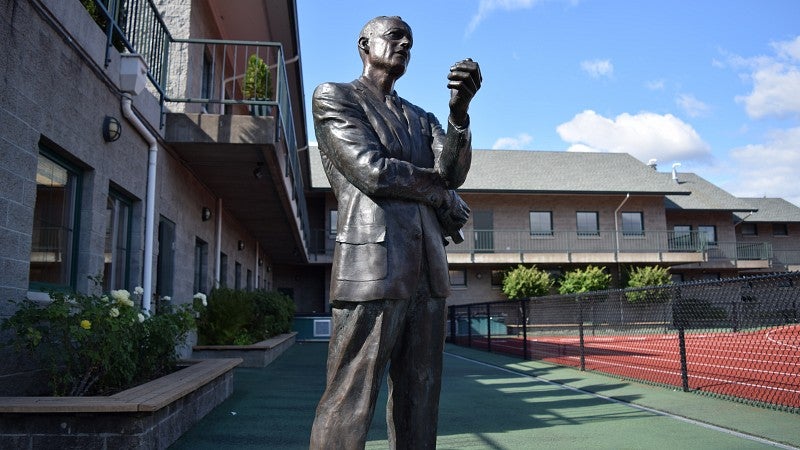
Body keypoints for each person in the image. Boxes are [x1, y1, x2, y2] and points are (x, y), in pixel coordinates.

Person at [309, 15, 481, 450]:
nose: (404, 43)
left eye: (410, 39)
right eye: (395, 36)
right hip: (373, 268)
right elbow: (373, 171)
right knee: (350, 397)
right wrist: (439, 195)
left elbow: (454, 172)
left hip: (428, 272)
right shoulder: (335, 96)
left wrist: (458, 114)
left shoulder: (422, 119)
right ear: (364, 44)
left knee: (420, 396)